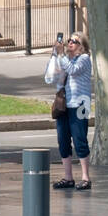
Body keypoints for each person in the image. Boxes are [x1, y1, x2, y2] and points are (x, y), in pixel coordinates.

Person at [45, 32, 93, 191]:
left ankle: (86, 177)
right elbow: (51, 77)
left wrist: (61, 55)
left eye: (74, 41)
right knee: (63, 140)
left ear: (82, 46)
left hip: (80, 105)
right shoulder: (64, 59)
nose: (70, 43)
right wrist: (55, 55)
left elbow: (73, 70)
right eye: (69, 40)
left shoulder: (85, 59)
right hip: (64, 105)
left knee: (80, 139)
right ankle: (68, 177)